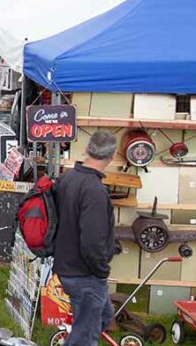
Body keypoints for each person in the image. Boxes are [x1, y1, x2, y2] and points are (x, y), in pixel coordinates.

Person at [54, 130, 117, 346]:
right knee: (86, 337)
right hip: (84, 273)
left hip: (67, 266)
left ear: (87, 149)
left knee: (103, 318)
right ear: (113, 155)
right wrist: (101, 270)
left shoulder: (67, 178)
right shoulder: (95, 191)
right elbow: (91, 242)